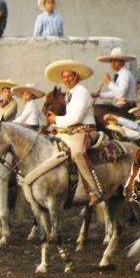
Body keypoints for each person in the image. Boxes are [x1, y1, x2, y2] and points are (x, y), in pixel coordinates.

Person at [45, 59, 101, 205]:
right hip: (73, 131)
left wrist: (55, 120)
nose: (66, 80)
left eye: (69, 76)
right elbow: (70, 119)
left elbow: (76, 118)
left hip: (86, 130)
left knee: (77, 153)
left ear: (76, 76)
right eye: (63, 77)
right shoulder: (70, 94)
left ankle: (94, 190)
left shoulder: (82, 91)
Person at [93, 48, 137, 112]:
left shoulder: (124, 74)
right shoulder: (121, 74)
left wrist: (109, 82)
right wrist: (99, 95)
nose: (112, 64)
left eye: (115, 61)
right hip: (123, 107)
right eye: (111, 61)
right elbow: (116, 93)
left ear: (122, 62)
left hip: (127, 108)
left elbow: (121, 94)